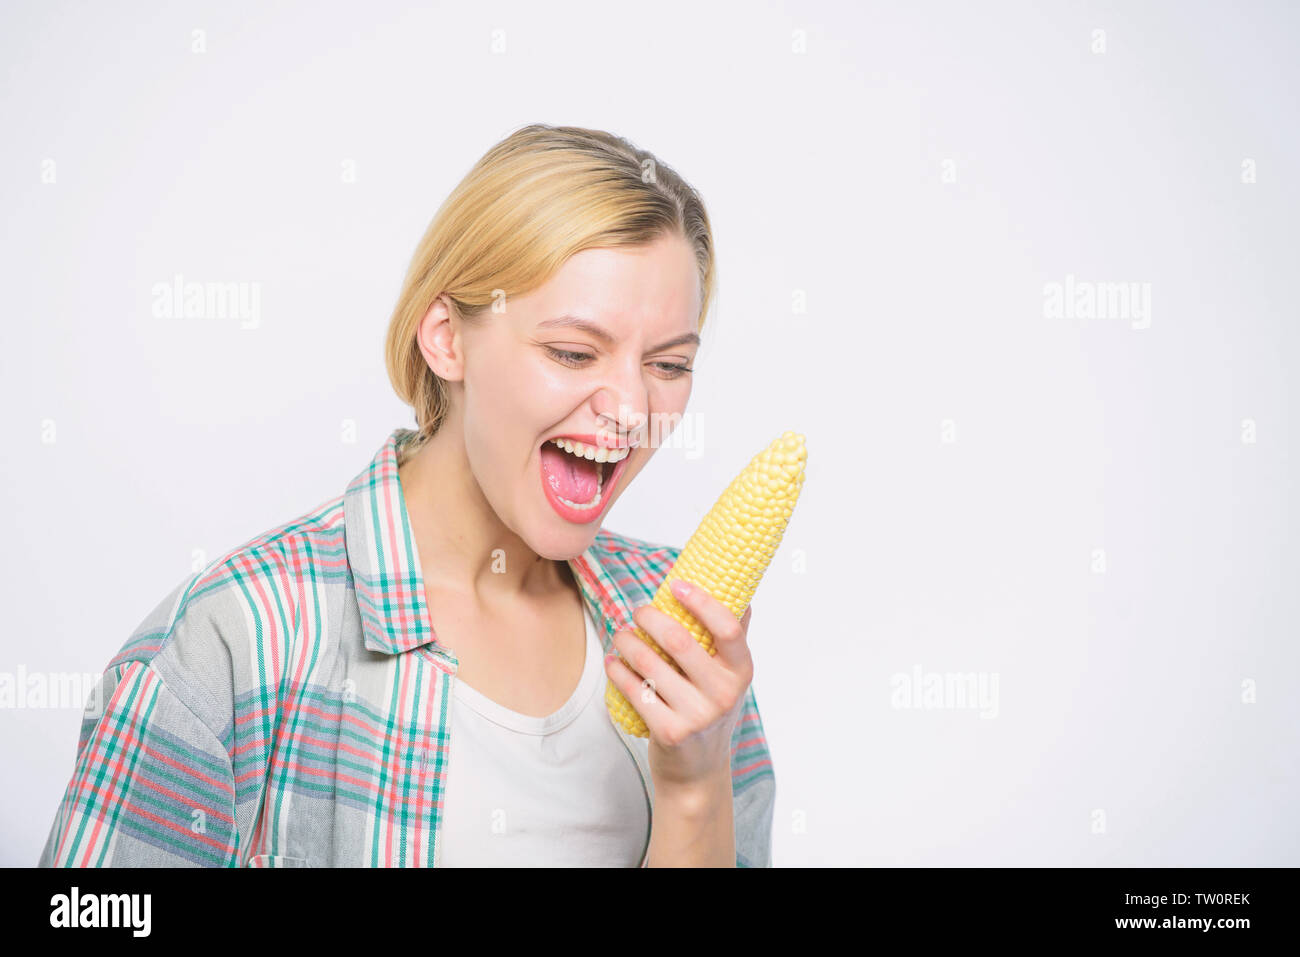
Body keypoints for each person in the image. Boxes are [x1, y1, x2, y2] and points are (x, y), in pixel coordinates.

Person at [38, 124, 775, 868]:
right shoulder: (237, 641)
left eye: (669, 364)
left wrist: (694, 787)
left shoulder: (682, 638)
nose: (630, 407)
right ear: (447, 339)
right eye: (573, 353)